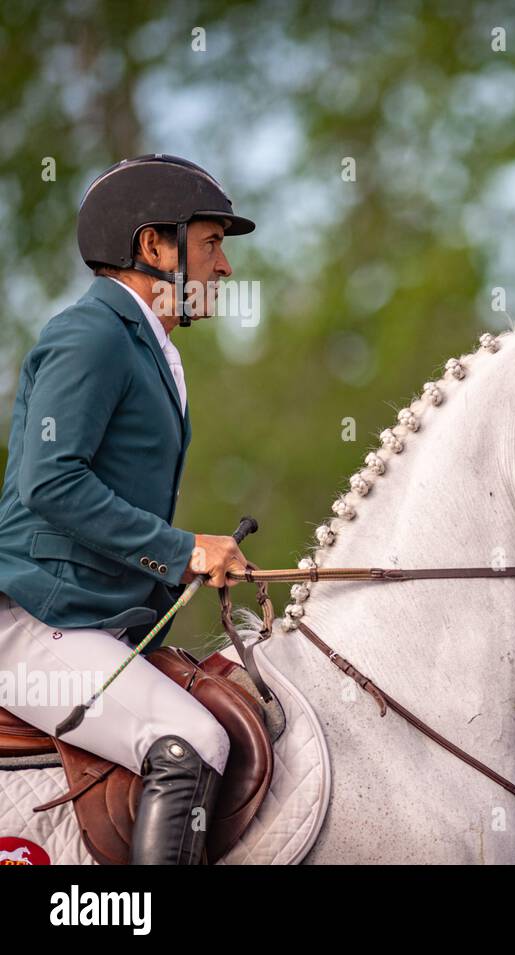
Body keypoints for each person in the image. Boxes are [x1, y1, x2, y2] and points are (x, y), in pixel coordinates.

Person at [0, 154, 255, 864]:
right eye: (210, 243)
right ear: (153, 247)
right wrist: (182, 550)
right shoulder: (93, 334)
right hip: (29, 620)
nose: (224, 269)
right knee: (193, 743)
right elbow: (49, 482)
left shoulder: (150, 347)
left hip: (84, 620)